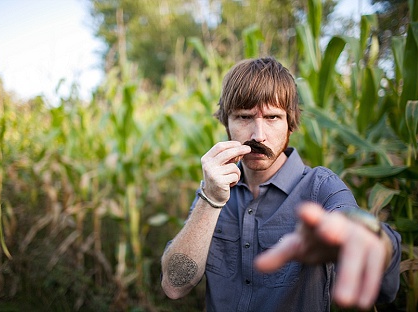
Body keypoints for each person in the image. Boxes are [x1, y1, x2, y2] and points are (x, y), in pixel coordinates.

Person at [160, 57, 401, 311]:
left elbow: (364, 236)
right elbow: (175, 286)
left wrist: (372, 238)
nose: (258, 135)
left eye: (273, 117)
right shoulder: (212, 191)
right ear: (226, 123)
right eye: (244, 117)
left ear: (291, 124)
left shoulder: (321, 187)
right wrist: (211, 200)